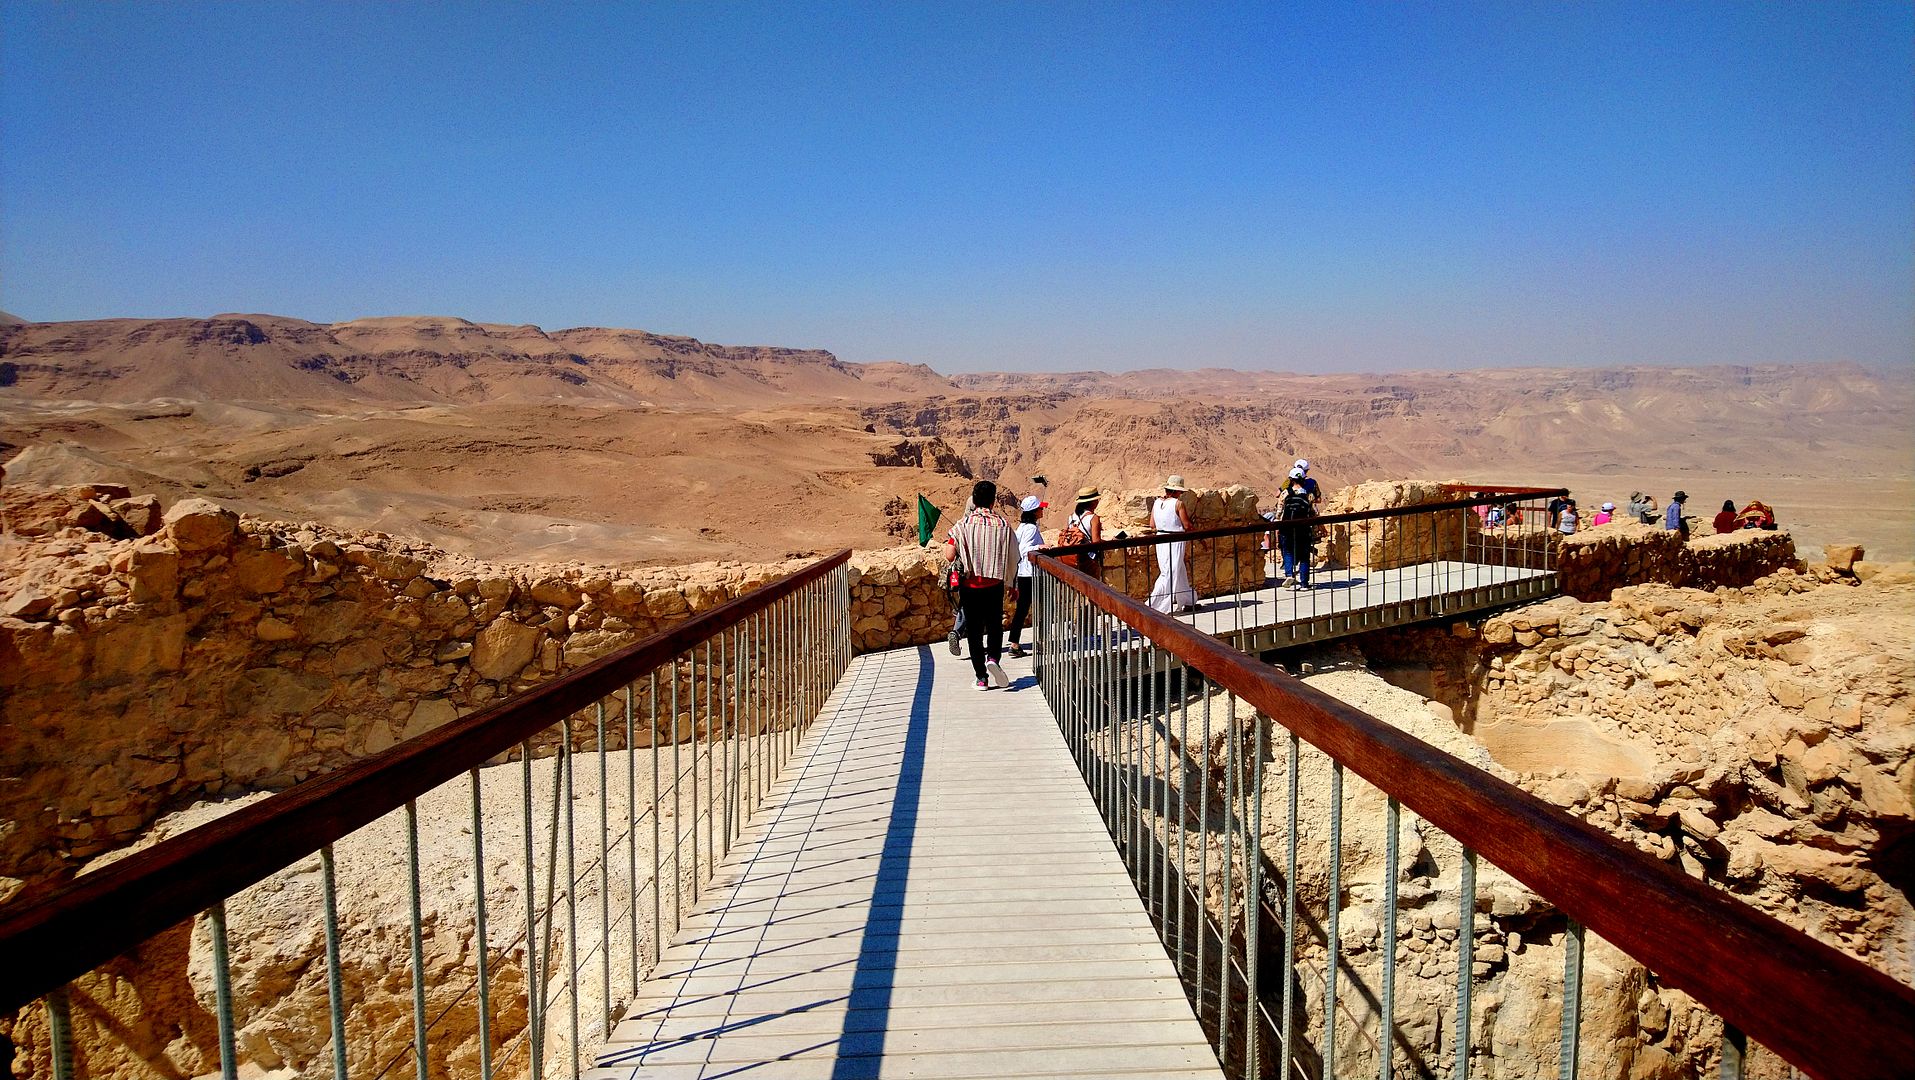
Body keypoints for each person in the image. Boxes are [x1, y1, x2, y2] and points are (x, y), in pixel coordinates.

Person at [942, 480, 1019, 690]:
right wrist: (1013, 584)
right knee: (994, 625)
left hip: (970, 586)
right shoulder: (1003, 525)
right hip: (994, 585)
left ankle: (981, 678)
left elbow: (949, 555)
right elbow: (1014, 556)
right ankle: (993, 658)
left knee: (974, 631)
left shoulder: (962, 525)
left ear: (974, 501)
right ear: (993, 502)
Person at [1147, 475, 1197, 613]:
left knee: (1177, 569)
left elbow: (1152, 524)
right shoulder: (1178, 504)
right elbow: (1186, 525)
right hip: (1175, 540)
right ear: (1177, 491)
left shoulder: (1157, 502)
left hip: (1160, 539)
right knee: (1169, 572)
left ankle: (1187, 600)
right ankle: (1153, 604)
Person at [1007, 494, 1046, 658]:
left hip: (1023, 573)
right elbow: (1024, 550)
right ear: (1034, 511)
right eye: (1040, 508)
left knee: (1022, 609)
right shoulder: (1031, 528)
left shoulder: (1022, 527)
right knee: (1044, 607)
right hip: (1032, 574)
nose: (1042, 510)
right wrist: (1040, 547)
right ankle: (1042, 641)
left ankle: (1014, 643)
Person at [1277, 466, 1318, 588]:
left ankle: (1289, 574)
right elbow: (1313, 512)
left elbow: (1279, 511)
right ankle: (1304, 584)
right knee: (1304, 556)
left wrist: (1278, 524)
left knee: (1288, 551)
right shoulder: (1309, 495)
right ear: (1303, 480)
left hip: (1287, 527)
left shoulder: (1285, 493)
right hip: (1303, 528)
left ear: (1291, 479)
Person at [1059, 487, 1105, 580]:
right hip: (1088, 559)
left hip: (1074, 558)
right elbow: (1096, 542)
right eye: (1097, 500)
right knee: (1092, 585)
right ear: (1093, 502)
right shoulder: (1093, 518)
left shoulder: (1071, 517)